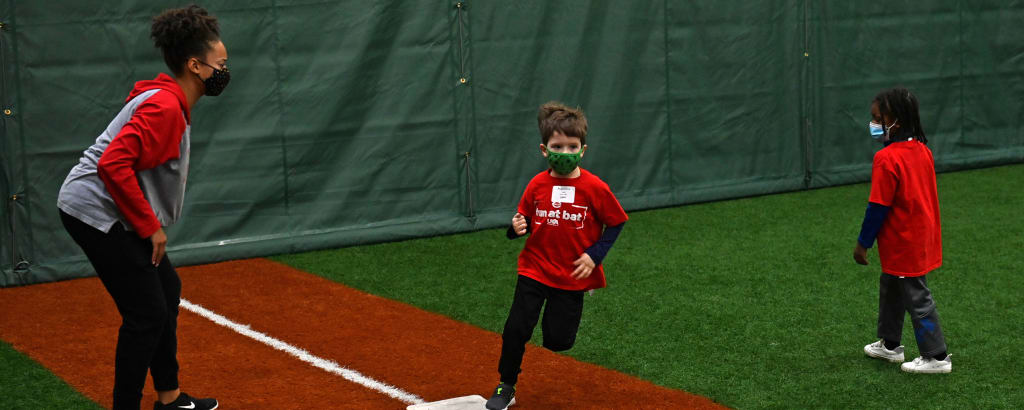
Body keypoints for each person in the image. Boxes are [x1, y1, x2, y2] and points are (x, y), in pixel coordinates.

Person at [57, 5, 229, 409]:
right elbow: (112, 164)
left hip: (112, 209)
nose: (224, 71)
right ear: (195, 65)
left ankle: (169, 398)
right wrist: (150, 226)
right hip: (91, 210)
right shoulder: (164, 106)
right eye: (220, 64)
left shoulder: (170, 100)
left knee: (167, 290)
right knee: (146, 314)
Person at [485, 102, 629, 409]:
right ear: (544, 149)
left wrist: (595, 255)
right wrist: (515, 228)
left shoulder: (594, 187)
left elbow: (617, 222)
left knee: (558, 341)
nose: (565, 152)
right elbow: (521, 224)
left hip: (571, 275)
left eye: (572, 146)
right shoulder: (537, 185)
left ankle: (558, 324)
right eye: (557, 146)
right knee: (515, 329)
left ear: (583, 149)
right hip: (534, 268)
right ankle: (505, 386)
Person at [854, 87, 951, 374]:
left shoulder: (886, 158)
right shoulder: (923, 150)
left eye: (876, 118)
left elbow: (878, 207)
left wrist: (863, 244)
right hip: (921, 236)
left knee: (915, 295)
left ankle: (936, 356)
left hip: (903, 241)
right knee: (893, 288)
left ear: (893, 119)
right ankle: (890, 344)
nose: (873, 124)